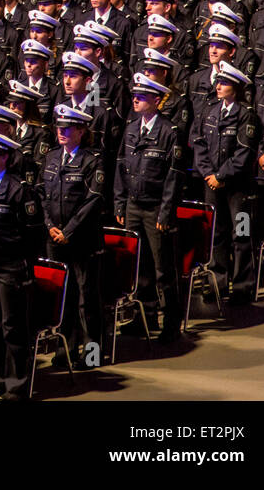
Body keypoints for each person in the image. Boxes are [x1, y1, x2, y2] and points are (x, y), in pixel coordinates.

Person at [0, 128, 43, 400]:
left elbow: (32, 234)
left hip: (10, 266)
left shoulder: (19, 190)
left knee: (13, 326)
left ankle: (16, 385)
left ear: (4, 156)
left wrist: (21, 262)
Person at [115, 73, 186, 344]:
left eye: (142, 97)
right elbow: (121, 168)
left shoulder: (169, 132)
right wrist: (120, 202)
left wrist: (166, 213)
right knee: (139, 266)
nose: (135, 99)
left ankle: (171, 321)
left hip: (156, 208)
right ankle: (143, 317)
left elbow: (174, 177)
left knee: (163, 268)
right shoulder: (131, 128)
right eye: (135, 96)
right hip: (134, 205)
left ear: (157, 100)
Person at [38, 105, 105, 367]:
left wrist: (68, 231)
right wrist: (49, 225)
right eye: (58, 127)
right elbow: (43, 196)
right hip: (55, 238)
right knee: (63, 297)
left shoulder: (92, 160)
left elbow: (93, 201)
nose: (61, 132)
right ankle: (65, 350)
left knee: (86, 300)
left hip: (82, 239)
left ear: (81, 130)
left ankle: (92, 354)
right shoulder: (52, 157)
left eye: (67, 128)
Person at [190, 62, 257, 307]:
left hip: (238, 188)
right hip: (212, 185)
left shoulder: (246, 115)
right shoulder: (210, 111)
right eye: (218, 82)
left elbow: (244, 153)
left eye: (224, 83)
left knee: (241, 235)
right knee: (216, 236)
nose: (218, 86)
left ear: (235, 87)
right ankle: (217, 284)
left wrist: (221, 176)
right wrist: (209, 174)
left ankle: (242, 286)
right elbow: (198, 143)